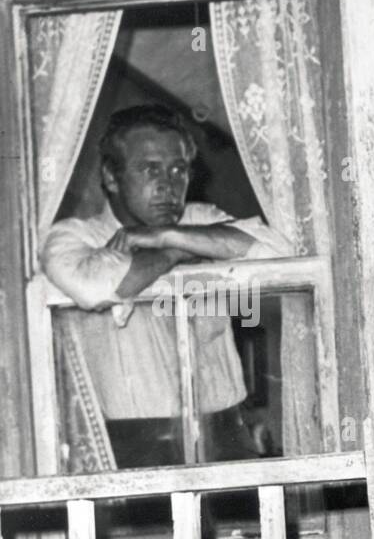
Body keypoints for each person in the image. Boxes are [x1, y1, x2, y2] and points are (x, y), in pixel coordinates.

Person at [40, 104, 295, 468]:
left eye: (179, 170)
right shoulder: (74, 237)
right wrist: (177, 250)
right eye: (150, 169)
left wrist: (166, 236)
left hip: (225, 435)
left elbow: (280, 254)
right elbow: (94, 286)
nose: (168, 185)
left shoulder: (201, 221)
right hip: (129, 448)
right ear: (111, 177)